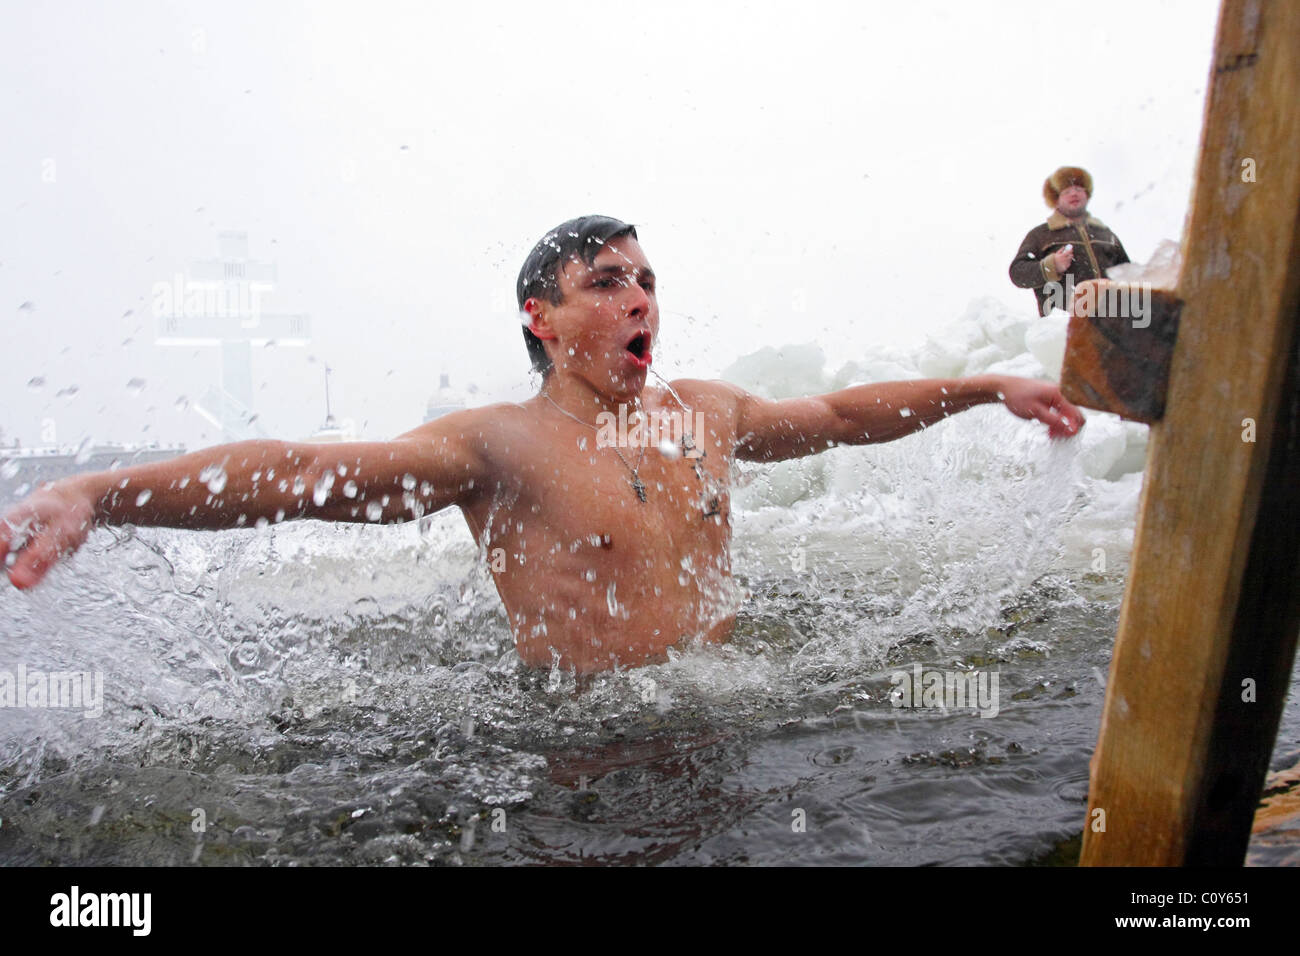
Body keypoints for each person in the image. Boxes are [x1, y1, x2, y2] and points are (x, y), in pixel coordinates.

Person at [2, 215, 1085, 674]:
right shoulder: (499, 445)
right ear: (542, 317)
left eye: (647, 281)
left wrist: (989, 385)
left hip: (730, 700)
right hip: (585, 737)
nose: (637, 300)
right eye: (605, 282)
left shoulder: (702, 411)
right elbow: (299, 473)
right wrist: (103, 489)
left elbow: (846, 414)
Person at [1009, 166, 1131, 316]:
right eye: (1066, 191)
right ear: (1056, 199)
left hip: (1112, 324)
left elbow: (1128, 275)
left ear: (1087, 195)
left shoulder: (1106, 234)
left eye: (1079, 189)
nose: (1074, 193)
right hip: (1064, 327)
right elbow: (1017, 273)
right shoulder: (1041, 235)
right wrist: (1052, 266)